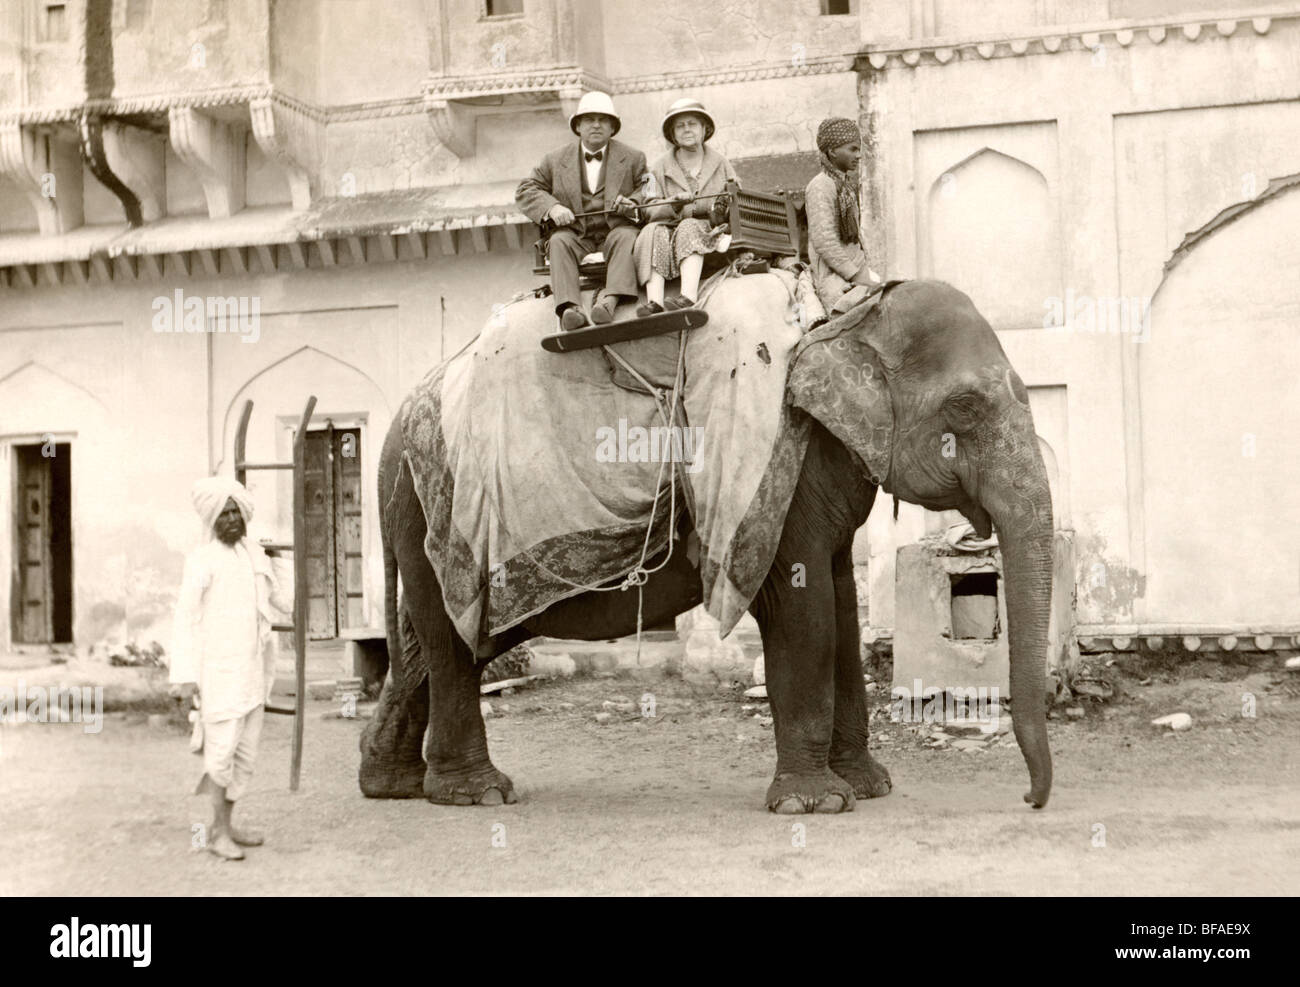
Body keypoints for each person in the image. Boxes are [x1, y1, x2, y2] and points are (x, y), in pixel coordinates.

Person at [170, 475, 291, 861]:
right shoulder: (201, 560)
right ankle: (217, 833)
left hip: (253, 673)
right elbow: (184, 619)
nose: (231, 520)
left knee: (245, 756)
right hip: (217, 674)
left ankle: (225, 825)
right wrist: (185, 677)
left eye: (236, 512)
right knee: (220, 754)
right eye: (223, 514)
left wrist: (279, 562)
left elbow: (284, 604)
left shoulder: (253, 554)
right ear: (210, 520)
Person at [516, 91, 652, 331]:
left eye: (603, 120)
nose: (596, 125)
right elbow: (526, 189)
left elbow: (647, 188)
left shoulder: (633, 158)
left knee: (627, 235)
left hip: (614, 233)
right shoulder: (554, 160)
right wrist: (553, 207)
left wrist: (632, 203)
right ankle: (570, 308)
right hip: (576, 235)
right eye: (589, 119)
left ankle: (610, 300)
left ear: (613, 127)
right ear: (578, 126)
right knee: (558, 241)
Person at [633, 98, 738, 315]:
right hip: (669, 229)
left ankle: (688, 296)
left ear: (704, 129)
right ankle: (655, 302)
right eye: (680, 126)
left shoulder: (722, 163)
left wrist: (714, 209)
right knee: (652, 231)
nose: (686, 129)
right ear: (672, 134)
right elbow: (646, 207)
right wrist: (674, 205)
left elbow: (735, 199)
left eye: (692, 124)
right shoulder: (655, 168)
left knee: (689, 225)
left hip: (709, 232)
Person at [805, 116, 881, 315]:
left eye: (859, 149)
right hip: (834, 276)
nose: (859, 155)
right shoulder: (820, 186)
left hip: (857, 270)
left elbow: (856, 239)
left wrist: (865, 271)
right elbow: (824, 240)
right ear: (832, 151)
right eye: (852, 149)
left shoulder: (845, 186)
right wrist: (855, 275)